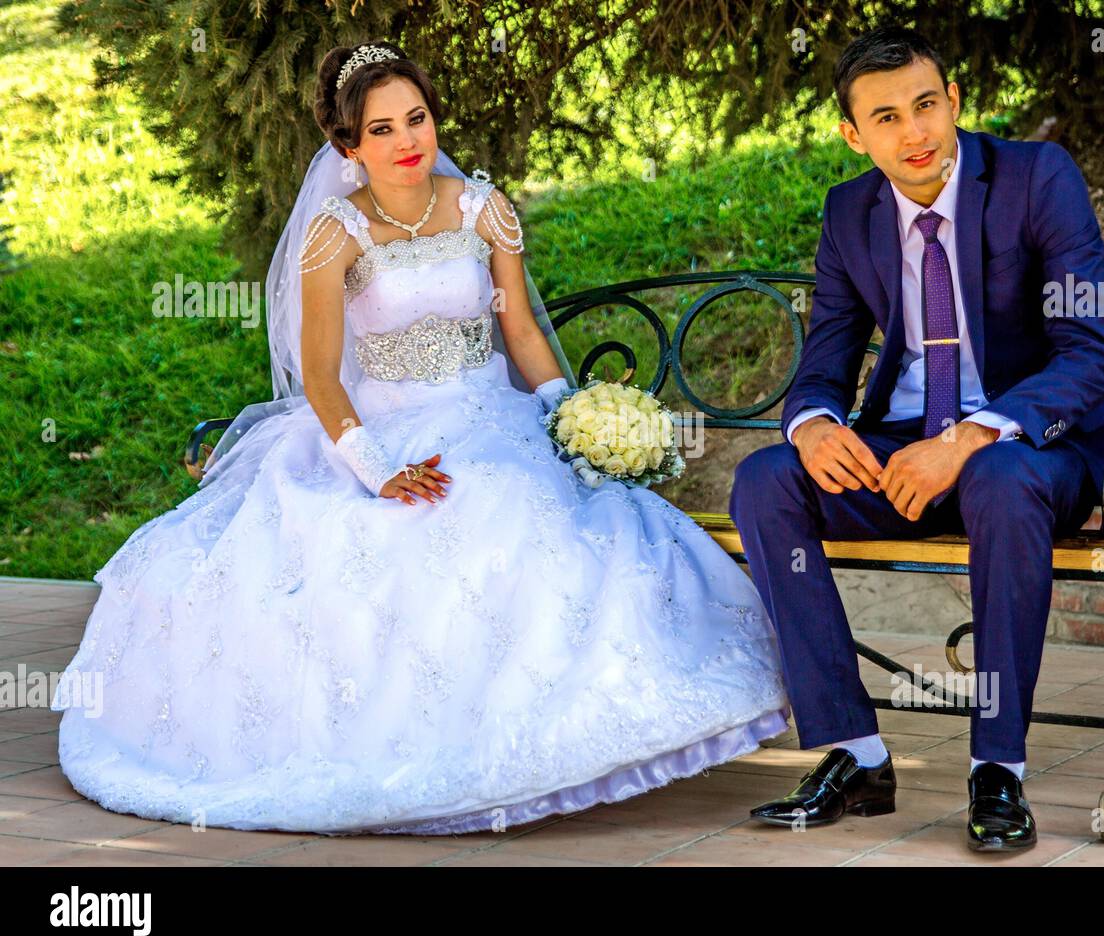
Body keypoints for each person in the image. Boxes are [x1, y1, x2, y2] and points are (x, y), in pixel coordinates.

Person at [51, 41, 789, 835]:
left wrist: (569, 421)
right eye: (381, 129)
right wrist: (375, 469)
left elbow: (524, 332)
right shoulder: (337, 235)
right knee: (394, 540)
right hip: (380, 429)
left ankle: (586, 725)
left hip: (489, 412)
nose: (408, 141)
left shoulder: (481, 209)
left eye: (418, 118)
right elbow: (324, 379)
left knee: (536, 510)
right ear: (347, 148)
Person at [730, 26, 1104, 852]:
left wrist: (970, 438)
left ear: (954, 101)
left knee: (997, 476)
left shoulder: (1035, 179)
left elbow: (1092, 353)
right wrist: (813, 426)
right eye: (886, 118)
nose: (913, 133)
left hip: (1038, 453)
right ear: (854, 135)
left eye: (926, 105)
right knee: (766, 479)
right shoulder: (851, 213)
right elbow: (826, 363)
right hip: (906, 456)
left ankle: (998, 768)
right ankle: (855, 751)